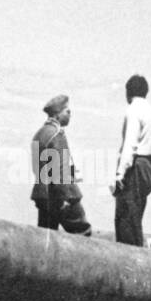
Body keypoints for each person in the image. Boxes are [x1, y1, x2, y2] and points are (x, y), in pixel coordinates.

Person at [109, 75, 151, 246]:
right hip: (148, 167)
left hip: (135, 166)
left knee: (125, 219)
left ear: (128, 92)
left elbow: (129, 145)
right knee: (136, 217)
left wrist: (119, 174)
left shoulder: (133, 110)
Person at [30, 94, 91, 235]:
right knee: (83, 234)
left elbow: (36, 167)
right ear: (57, 115)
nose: (70, 114)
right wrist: (67, 199)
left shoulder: (39, 134)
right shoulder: (57, 134)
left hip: (43, 195)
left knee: (47, 238)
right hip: (61, 195)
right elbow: (60, 171)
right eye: (67, 111)